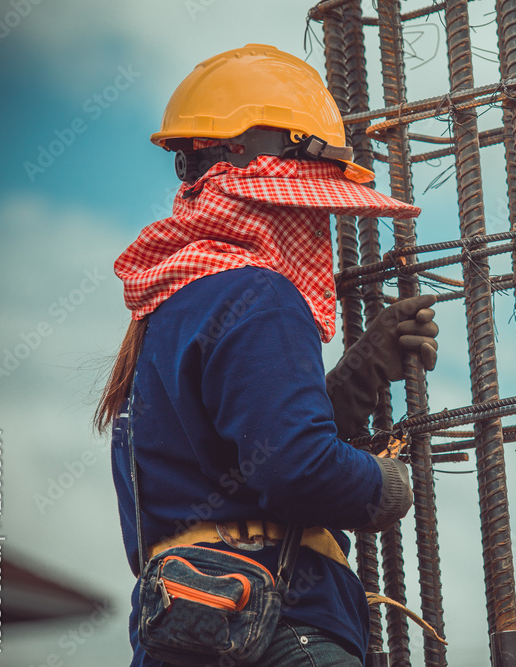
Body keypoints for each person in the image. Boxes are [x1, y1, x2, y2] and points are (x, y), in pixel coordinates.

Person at [94, 44, 439, 666]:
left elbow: (242, 455)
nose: (317, 225)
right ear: (278, 180)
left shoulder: (173, 305)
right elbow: (293, 469)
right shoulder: (260, 293)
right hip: (280, 631)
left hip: (190, 630)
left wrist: (358, 379)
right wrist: (380, 485)